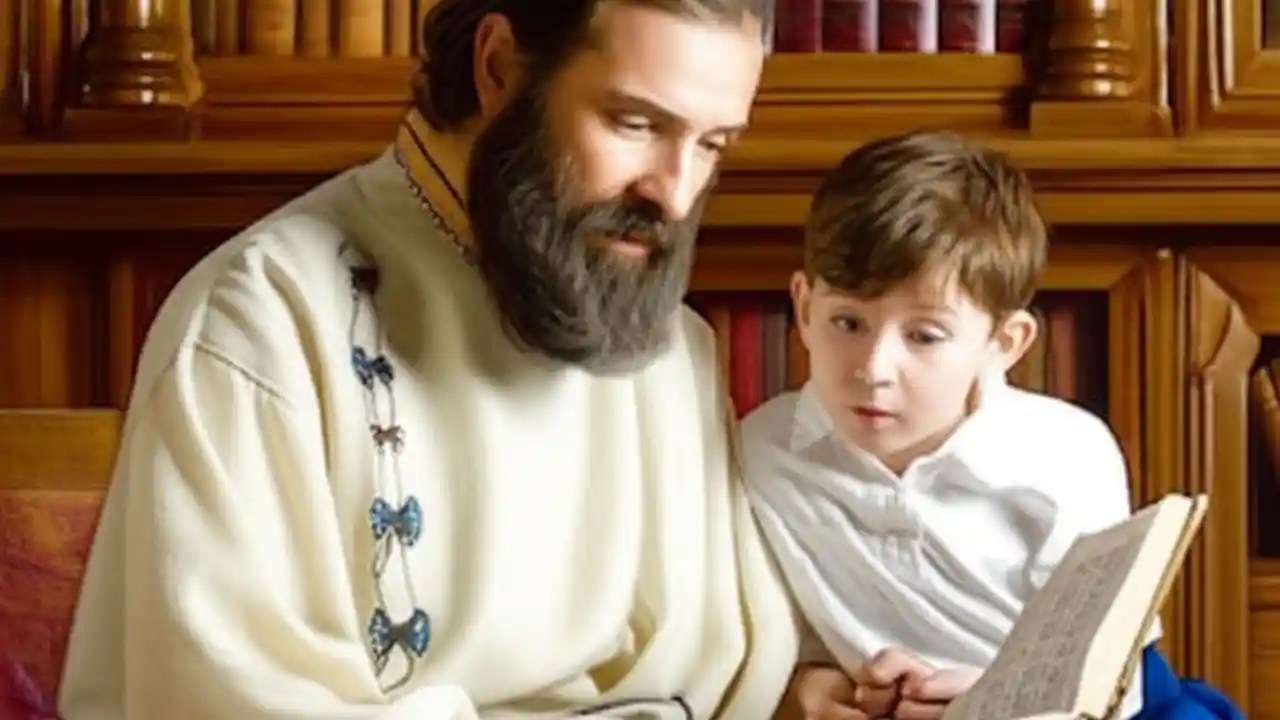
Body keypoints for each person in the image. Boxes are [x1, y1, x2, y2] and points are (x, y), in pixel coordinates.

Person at [56, 1, 799, 717]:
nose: (674, 193)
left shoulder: (668, 341)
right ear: (500, 65)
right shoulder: (262, 320)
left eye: (712, 145)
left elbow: (739, 672)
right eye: (635, 123)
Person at [741, 131, 1154, 720]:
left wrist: (995, 701)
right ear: (805, 309)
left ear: (1003, 343)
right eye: (847, 322)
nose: (874, 369)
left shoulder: (1069, 458)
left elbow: (1113, 685)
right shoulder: (758, 454)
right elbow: (742, 644)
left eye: (924, 336)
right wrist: (802, 690)